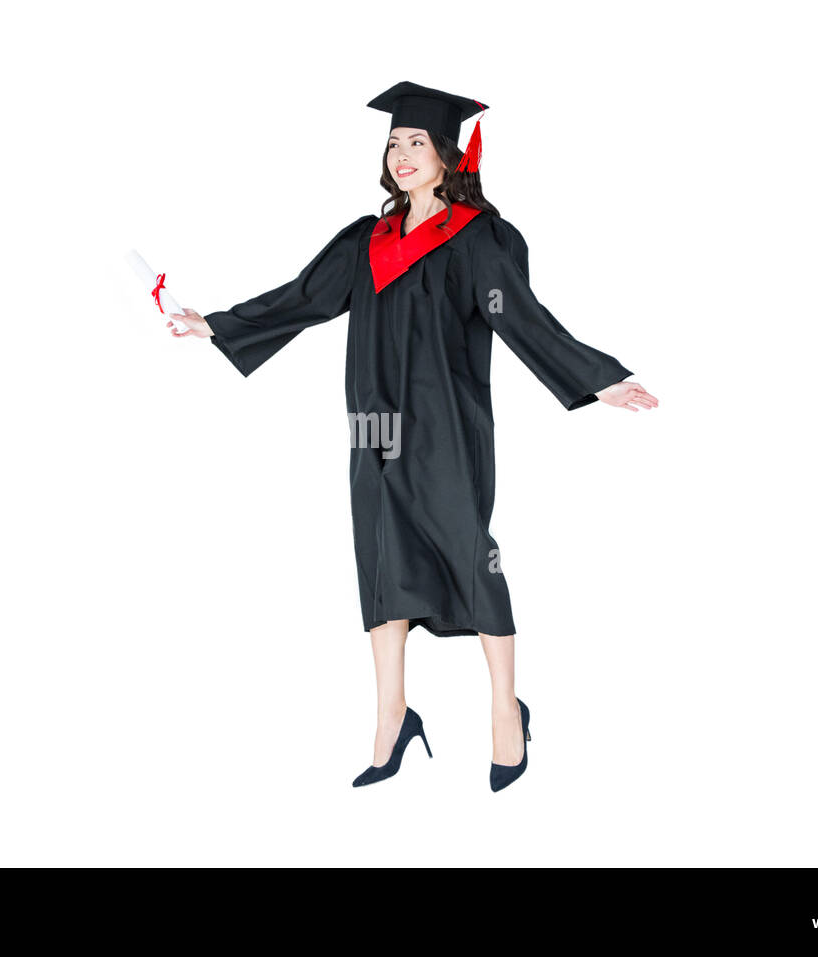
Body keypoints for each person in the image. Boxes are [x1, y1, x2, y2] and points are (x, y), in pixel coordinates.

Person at [167, 81, 659, 792]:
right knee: (382, 557)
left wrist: (597, 378)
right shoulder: (366, 240)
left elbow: (520, 315)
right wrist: (213, 323)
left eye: (417, 143)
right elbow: (302, 298)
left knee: (470, 549)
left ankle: (504, 711)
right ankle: (392, 717)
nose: (402, 154)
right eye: (395, 142)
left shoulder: (476, 238)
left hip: (446, 428)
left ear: (447, 154)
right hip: (373, 422)